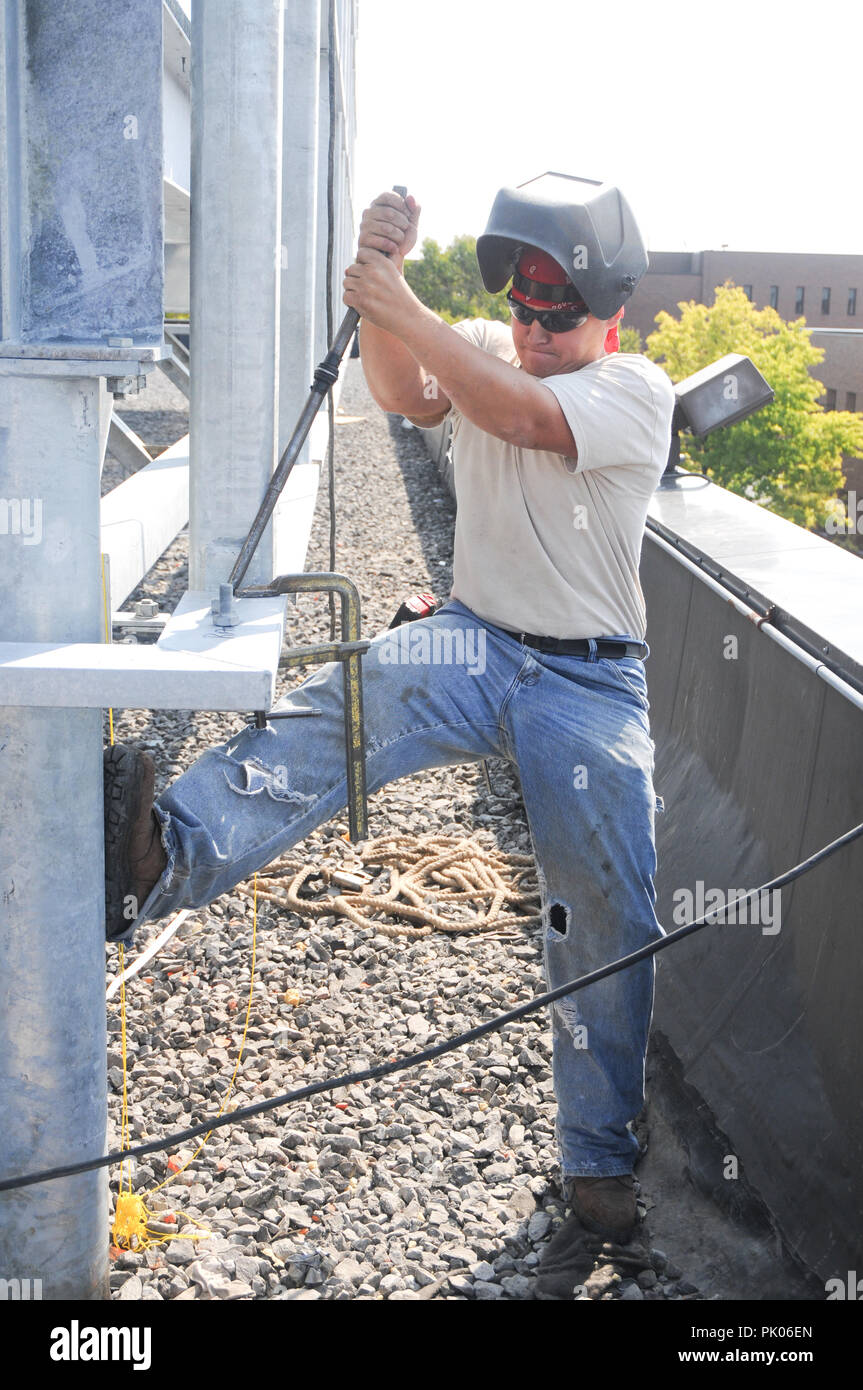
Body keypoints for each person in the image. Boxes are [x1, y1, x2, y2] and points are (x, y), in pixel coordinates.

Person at [104, 173, 675, 1296]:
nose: (534, 330)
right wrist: (376, 300)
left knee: (604, 902)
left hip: (587, 679)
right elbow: (410, 392)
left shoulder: (632, 388)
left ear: (607, 313)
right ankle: (158, 854)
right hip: (472, 639)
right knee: (340, 711)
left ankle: (598, 1176)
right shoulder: (482, 347)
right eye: (521, 307)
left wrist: (397, 296)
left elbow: (516, 416)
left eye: (558, 312)